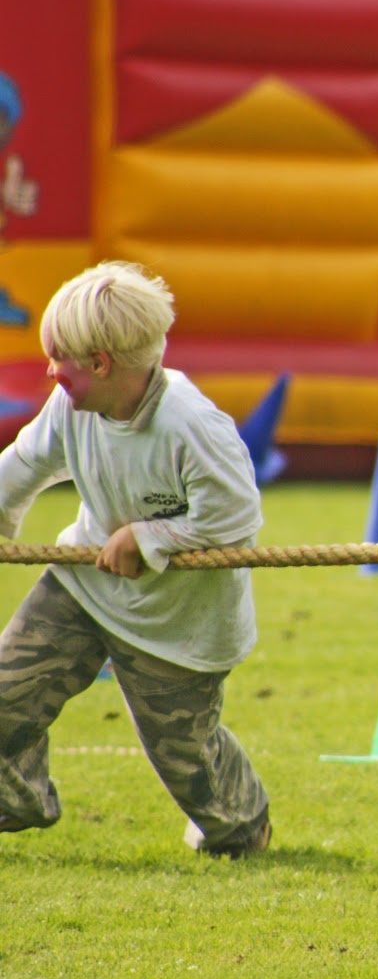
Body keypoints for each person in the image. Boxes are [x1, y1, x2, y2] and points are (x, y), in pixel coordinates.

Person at [0, 261, 271, 857]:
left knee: (189, 764)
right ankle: (17, 798)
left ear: (101, 363)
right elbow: (23, 464)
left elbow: (237, 517)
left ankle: (243, 826)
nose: (50, 370)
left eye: (59, 358)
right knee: (5, 695)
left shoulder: (192, 425)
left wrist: (151, 538)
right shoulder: (71, 406)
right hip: (86, 584)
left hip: (179, 624)